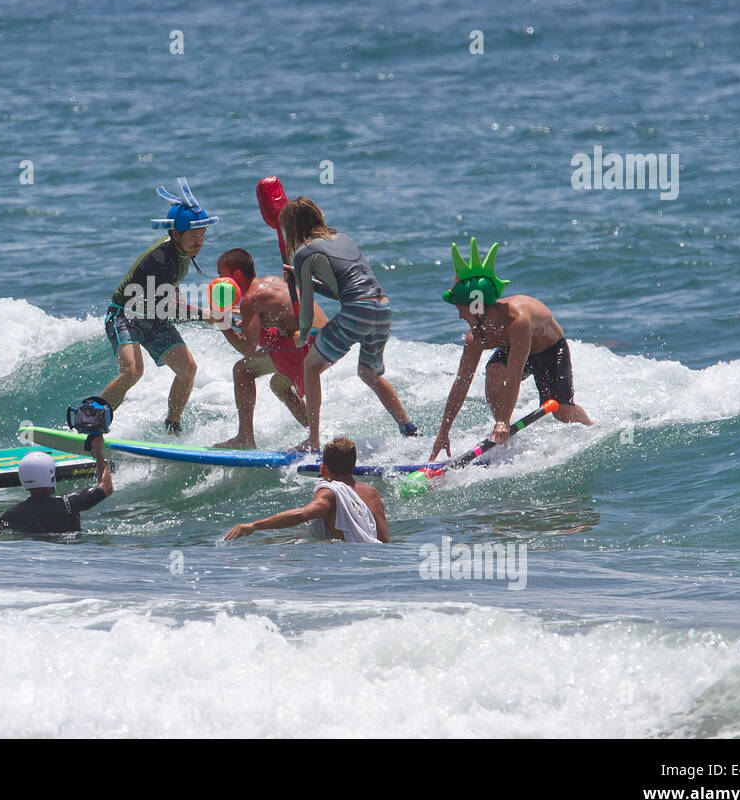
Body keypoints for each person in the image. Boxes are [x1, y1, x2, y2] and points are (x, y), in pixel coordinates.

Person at [428, 238, 593, 462]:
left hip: (550, 349)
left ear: (477, 307)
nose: (459, 316)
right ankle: (504, 436)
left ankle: (591, 427)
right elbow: (461, 383)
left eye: (461, 309)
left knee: (562, 413)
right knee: (494, 372)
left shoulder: (518, 321)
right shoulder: (476, 335)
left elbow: (514, 376)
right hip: (514, 348)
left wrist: (505, 421)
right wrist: (443, 432)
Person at [279, 197, 418, 452]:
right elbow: (344, 291)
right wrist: (300, 280)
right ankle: (409, 430)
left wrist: (304, 332)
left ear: (292, 228)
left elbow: (307, 304)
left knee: (310, 366)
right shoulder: (344, 238)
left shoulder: (303, 252)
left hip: (357, 310)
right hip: (382, 308)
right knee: (369, 373)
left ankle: (313, 441)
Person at [101, 178, 217, 434]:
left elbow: (171, 297)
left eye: (202, 235)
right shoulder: (159, 259)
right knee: (132, 371)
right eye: (193, 236)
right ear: (175, 234)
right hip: (125, 316)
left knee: (188, 369)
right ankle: (90, 422)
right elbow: (168, 309)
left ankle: (172, 426)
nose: (199, 242)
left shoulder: (183, 254)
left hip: (152, 315)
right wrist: (203, 315)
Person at [210, 248, 328, 449]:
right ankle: (314, 435)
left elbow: (247, 348)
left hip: (306, 344)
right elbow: (284, 321)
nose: (219, 281)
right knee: (278, 385)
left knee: (242, 370)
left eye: (222, 276)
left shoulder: (251, 298)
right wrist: (250, 322)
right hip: (327, 342)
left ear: (237, 275)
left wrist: (222, 324)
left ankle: (245, 438)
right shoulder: (270, 283)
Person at [223, 437, 387, 543]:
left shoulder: (329, 492)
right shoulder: (372, 493)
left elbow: (304, 514)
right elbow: (383, 541)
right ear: (354, 464)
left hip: (348, 563)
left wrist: (253, 526)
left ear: (324, 468)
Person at [0, 437, 113, 536]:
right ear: (51, 476)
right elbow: (106, 487)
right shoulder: (69, 502)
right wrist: (98, 452)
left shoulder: (13, 514)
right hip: (74, 555)